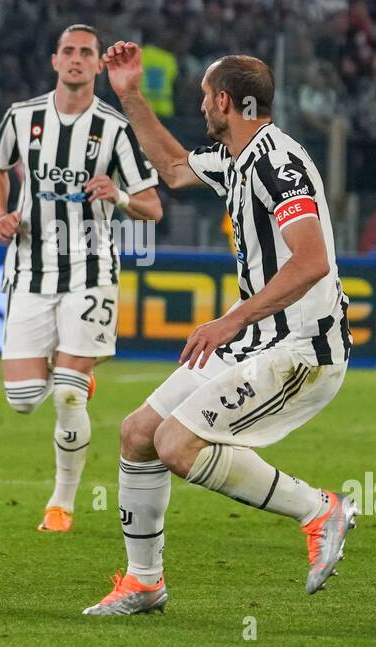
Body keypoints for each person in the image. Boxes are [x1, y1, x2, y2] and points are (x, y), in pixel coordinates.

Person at [82, 43, 355, 616]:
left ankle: (319, 510)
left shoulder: (278, 163)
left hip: (301, 348)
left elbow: (311, 261)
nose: (201, 105)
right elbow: (175, 168)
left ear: (225, 101)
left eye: (205, 96)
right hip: (257, 340)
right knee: (138, 434)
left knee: (176, 445)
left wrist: (229, 320)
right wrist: (129, 95)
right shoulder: (237, 157)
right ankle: (143, 583)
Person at [0, 24, 162, 533]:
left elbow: (151, 206)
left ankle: (61, 503)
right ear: (55, 60)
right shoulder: (22, 117)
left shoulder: (115, 128)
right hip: (29, 268)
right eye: (69, 51)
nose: (77, 58)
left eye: (87, 52)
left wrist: (119, 196)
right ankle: (75, 372)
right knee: (23, 400)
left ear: (98, 64)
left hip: (91, 268)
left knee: (67, 394)